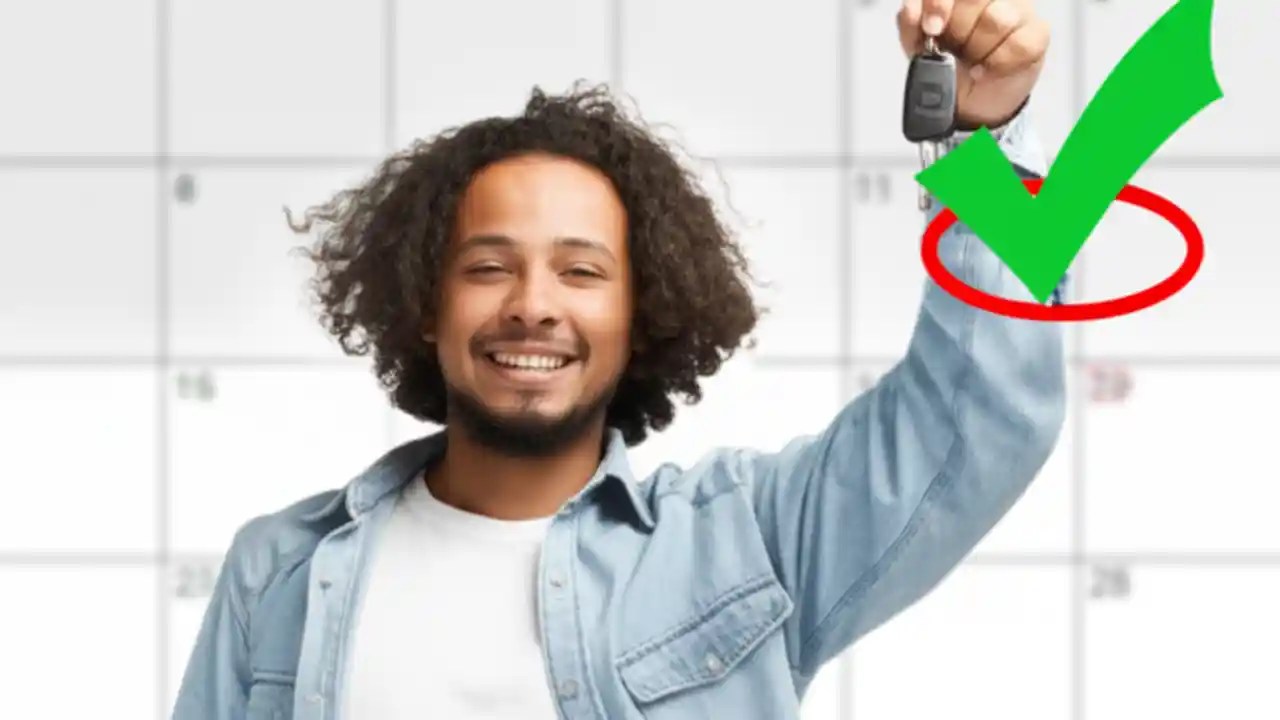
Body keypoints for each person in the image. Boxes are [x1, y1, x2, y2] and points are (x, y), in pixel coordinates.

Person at [172, 0, 1065, 717]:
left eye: (581, 271)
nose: (532, 304)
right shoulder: (279, 571)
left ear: (642, 317)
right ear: (425, 308)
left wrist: (985, 141)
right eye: (488, 267)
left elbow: (982, 412)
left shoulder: (749, 543)